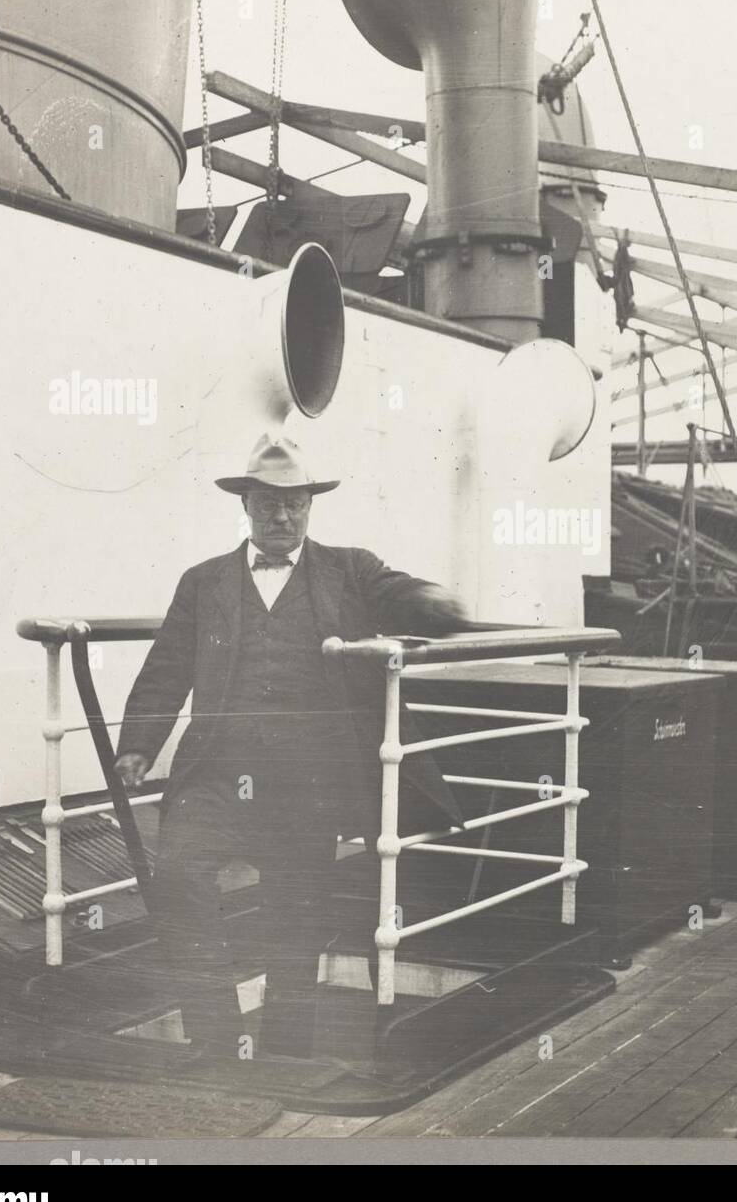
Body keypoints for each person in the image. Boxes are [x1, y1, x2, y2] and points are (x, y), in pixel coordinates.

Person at [113, 432, 473, 1060]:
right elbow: (167, 665)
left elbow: (401, 593)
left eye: (295, 504)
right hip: (216, 775)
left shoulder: (351, 570)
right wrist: (139, 744)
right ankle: (217, 1036)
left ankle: (285, 1051)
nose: (282, 516)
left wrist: (432, 603)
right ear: (244, 506)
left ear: (311, 506)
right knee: (177, 875)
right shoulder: (203, 583)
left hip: (310, 780)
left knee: (297, 913)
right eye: (268, 504)